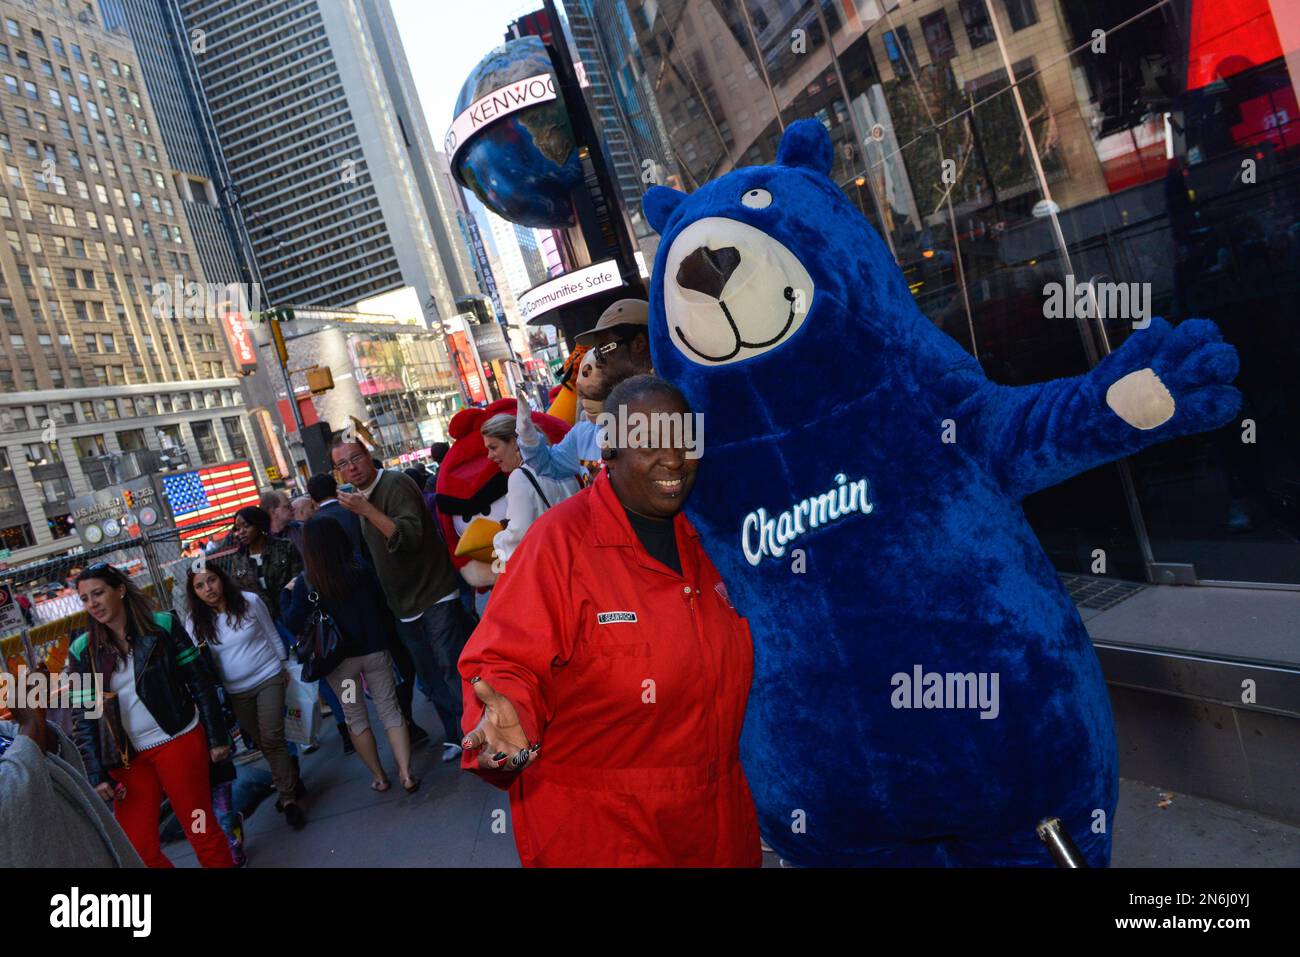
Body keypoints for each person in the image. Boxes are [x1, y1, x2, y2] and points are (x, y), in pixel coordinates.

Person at [458, 375, 761, 867]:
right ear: (609, 452)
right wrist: (499, 728)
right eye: (647, 442)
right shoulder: (558, 544)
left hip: (716, 828)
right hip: (607, 837)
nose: (672, 457)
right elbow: (502, 663)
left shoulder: (710, 540)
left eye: (684, 437)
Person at [66, 563, 235, 868]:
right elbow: (84, 713)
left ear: (119, 590)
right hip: (127, 760)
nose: (92, 604)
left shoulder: (162, 626)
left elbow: (200, 682)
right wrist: (96, 772)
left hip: (178, 741)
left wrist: (216, 736)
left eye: (98, 593)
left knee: (200, 829)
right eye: (85, 599)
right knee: (138, 850)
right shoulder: (82, 650)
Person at [332, 437, 476, 763]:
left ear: (370, 457)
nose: (351, 467)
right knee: (430, 674)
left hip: (434, 592)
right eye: (342, 464)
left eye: (356, 458)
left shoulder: (394, 485)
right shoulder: (357, 500)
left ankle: (478, 727)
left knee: (451, 665)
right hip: (403, 605)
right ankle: (457, 732)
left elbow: (408, 536)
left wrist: (367, 510)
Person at [283, 516, 420, 793]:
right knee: (389, 709)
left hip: (340, 664)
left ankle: (380, 777)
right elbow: (382, 605)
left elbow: (293, 621)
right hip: (374, 652)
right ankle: (406, 773)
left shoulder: (306, 582)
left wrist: (286, 595)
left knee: (355, 717)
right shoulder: (361, 568)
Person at [307, 471, 430, 749]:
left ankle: (377, 772)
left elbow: (293, 614)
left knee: (354, 711)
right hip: (375, 633)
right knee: (393, 688)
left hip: (342, 653)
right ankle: (405, 752)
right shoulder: (354, 512)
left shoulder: (312, 532)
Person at [185, 563, 306, 829]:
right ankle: (291, 779)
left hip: (269, 676)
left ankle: (288, 799)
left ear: (221, 579)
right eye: (200, 586)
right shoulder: (195, 622)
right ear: (194, 592)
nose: (209, 589)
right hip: (236, 691)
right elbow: (197, 662)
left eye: (212, 580)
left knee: (273, 736)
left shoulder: (249, 602)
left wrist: (284, 664)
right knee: (263, 741)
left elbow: (271, 634)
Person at [1, 677, 144, 867]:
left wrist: (37, 716)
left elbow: (38, 746)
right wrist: (31, 726)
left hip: (77, 842)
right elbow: (9, 798)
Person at [517, 299, 653, 485]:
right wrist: (527, 435)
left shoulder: (677, 402)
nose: (599, 360)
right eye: (596, 352)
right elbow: (550, 465)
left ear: (639, 344)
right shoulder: (587, 432)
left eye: (605, 349)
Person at [480, 412, 578, 573]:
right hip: (579, 553)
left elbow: (518, 534)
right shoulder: (557, 460)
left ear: (514, 442)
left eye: (493, 447)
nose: (490, 456)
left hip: (554, 566)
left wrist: (497, 541)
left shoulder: (519, 476)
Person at [224, 506, 302, 626]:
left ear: (259, 525)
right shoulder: (238, 560)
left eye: (246, 526)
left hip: (293, 612)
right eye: (237, 528)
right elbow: (240, 592)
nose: (241, 532)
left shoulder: (285, 547)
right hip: (262, 621)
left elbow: (298, 578)